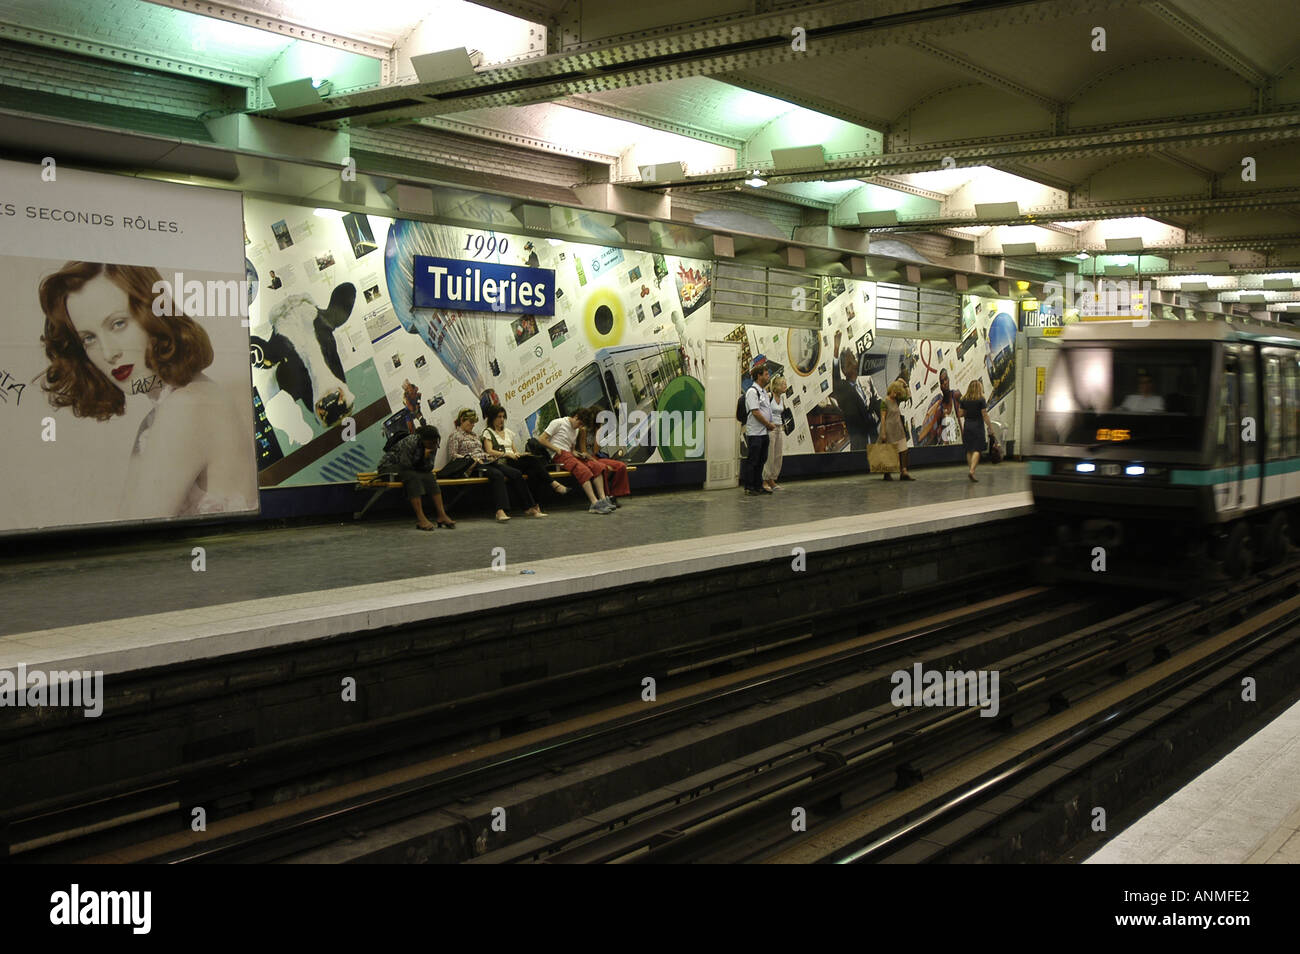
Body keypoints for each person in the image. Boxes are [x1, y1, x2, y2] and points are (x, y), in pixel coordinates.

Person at [38, 261, 253, 519]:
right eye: (89, 338)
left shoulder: (187, 406)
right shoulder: (165, 412)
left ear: (153, 314)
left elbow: (131, 540)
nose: (108, 353)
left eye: (118, 324)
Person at [447, 408, 545, 522]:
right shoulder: (455, 435)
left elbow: (482, 450)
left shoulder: (474, 435)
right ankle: (500, 511)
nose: (472, 425)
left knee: (516, 473)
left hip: (485, 460)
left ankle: (529, 507)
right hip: (473, 465)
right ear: (462, 420)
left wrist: (489, 456)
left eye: (474, 422)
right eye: (470, 422)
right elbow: (453, 455)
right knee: (497, 475)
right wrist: (471, 459)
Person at [481, 404, 568, 502]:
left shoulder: (508, 432)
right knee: (533, 463)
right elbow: (489, 451)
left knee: (533, 471)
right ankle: (554, 484)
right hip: (502, 462)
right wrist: (506, 454)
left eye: (503, 417)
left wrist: (520, 454)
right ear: (492, 418)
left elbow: (514, 451)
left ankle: (536, 505)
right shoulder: (488, 432)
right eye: (499, 417)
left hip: (513, 459)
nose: (501, 420)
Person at [537, 408, 616, 514]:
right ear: (576, 417)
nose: (579, 426)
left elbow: (572, 450)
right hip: (558, 454)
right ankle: (594, 502)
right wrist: (556, 449)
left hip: (568, 454)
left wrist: (581, 455)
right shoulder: (558, 423)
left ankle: (602, 499)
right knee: (583, 470)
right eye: (580, 423)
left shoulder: (577, 429)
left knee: (597, 466)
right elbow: (541, 439)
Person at [377, 424, 455, 530]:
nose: (434, 445)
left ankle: (442, 515)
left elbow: (429, 468)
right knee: (412, 477)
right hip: (389, 467)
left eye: (436, 442)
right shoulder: (411, 441)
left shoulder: (433, 444)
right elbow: (405, 464)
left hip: (409, 468)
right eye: (431, 443)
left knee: (430, 477)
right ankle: (421, 518)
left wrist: (425, 458)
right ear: (423, 440)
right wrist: (423, 456)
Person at [830, 330, 880, 450]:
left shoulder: (867, 380)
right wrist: (836, 349)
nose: (855, 364)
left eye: (854, 360)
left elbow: (878, 402)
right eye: (850, 362)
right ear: (844, 369)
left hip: (874, 437)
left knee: (879, 466)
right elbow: (836, 378)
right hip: (859, 443)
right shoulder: (842, 389)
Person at [580, 405, 630, 506]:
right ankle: (606, 497)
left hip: (594, 457)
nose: (603, 422)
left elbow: (595, 451)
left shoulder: (596, 430)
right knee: (603, 468)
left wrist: (598, 433)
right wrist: (598, 462)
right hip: (586, 459)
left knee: (621, 466)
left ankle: (614, 495)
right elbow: (584, 452)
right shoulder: (583, 430)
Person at [741, 361, 776, 496]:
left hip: (764, 433)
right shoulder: (752, 392)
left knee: (761, 460)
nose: (768, 377)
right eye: (766, 374)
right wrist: (768, 424)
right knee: (753, 461)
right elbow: (755, 412)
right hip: (755, 433)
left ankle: (758, 485)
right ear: (759, 376)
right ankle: (749, 487)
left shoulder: (764, 392)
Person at [958, 380, 996, 482]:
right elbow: (984, 414)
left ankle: (971, 470)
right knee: (977, 449)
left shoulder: (963, 399)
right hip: (977, 426)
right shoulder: (981, 400)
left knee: (969, 450)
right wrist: (990, 427)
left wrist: (968, 412)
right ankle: (972, 471)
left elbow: (960, 414)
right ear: (979, 388)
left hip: (967, 426)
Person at [880, 379, 914, 481]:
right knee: (890, 452)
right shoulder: (884, 402)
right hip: (889, 429)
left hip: (899, 428)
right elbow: (882, 418)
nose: (896, 394)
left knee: (904, 450)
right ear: (891, 390)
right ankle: (887, 473)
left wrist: (905, 384)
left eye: (897, 392)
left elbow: (908, 396)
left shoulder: (896, 400)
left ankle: (904, 471)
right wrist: (883, 432)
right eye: (895, 391)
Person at [763, 374, 789, 491]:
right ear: (777, 386)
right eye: (783, 384)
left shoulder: (782, 399)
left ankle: (772, 479)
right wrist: (768, 424)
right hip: (770, 428)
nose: (785, 386)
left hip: (779, 428)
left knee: (778, 455)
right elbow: (762, 411)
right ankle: (765, 479)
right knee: (769, 454)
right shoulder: (769, 396)